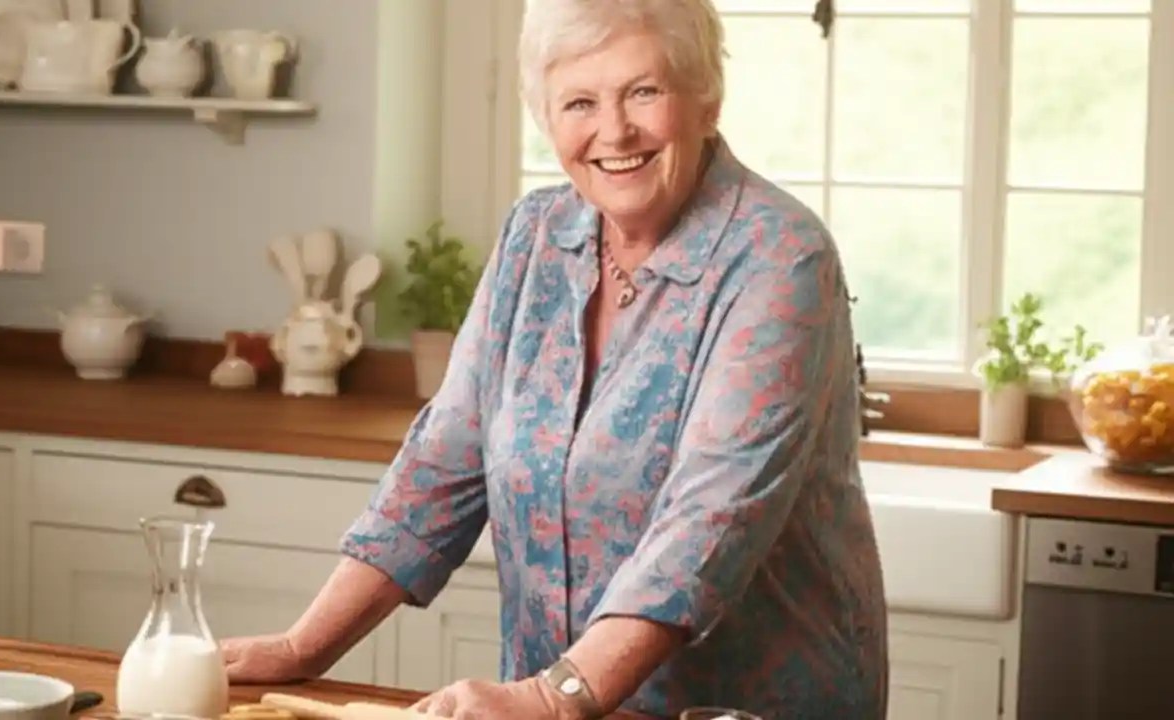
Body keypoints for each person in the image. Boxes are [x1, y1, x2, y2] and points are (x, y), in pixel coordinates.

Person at [219, 0, 888, 717]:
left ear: (705, 99)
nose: (614, 131)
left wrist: (551, 695)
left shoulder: (779, 258)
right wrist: (302, 649)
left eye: (643, 91)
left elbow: (707, 523)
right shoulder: (534, 235)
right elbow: (443, 465)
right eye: (578, 101)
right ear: (546, 118)